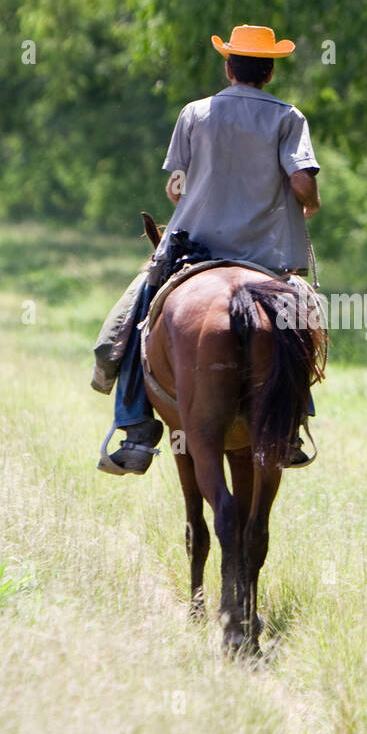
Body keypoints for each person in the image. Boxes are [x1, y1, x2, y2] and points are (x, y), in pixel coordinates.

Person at [92, 24, 322, 475]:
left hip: (195, 248)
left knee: (139, 316)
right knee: (297, 321)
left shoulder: (195, 113)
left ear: (228, 66)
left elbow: (175, 188)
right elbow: (301, 181)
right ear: (269, 72)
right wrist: (310, 203)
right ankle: (292, 422)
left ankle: (135, 428)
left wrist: (201, 190)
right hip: (268, 256)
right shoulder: (288, 117)